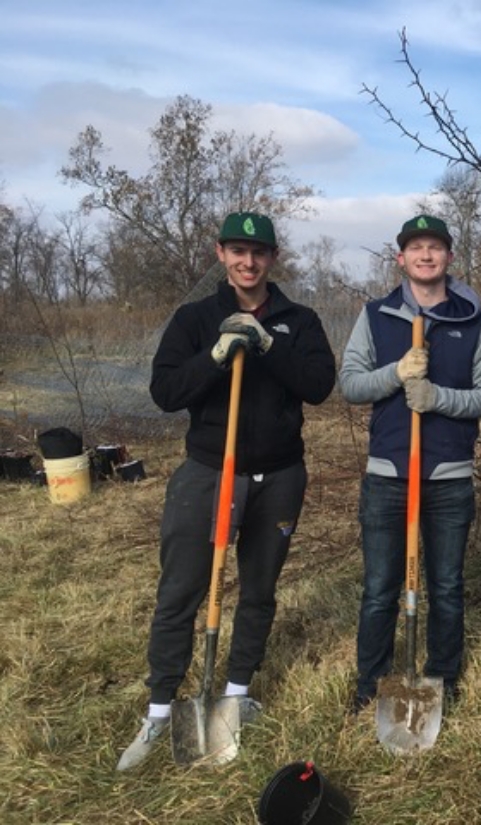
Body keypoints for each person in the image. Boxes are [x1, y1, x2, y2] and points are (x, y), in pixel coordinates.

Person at [117, 211, 336, 770]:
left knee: (259, 587)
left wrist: (265, 344)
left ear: (273, 258)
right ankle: (162, 706)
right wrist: (217, 355)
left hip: (281, 475)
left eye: (259, 252)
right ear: (220, 253)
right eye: (238, 251)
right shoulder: (195, 318)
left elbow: (318, 386)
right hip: (210, 471)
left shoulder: (299, 319)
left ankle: (237, 693)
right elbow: (165, 391)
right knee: (183, 589)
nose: (248, 261)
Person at [340, 214, 481, 711]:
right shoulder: (376, 314)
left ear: (450, 257)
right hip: (388, 473)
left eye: (435, 247)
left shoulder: (474, 319)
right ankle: (371, 684)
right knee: (380, 588)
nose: (426, 256)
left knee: (447, 586)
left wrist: (437, 398)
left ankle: (441, 678)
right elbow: (349, 384)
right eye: (416, 248)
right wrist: (395, 373)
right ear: (400, 258)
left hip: (448, 475)